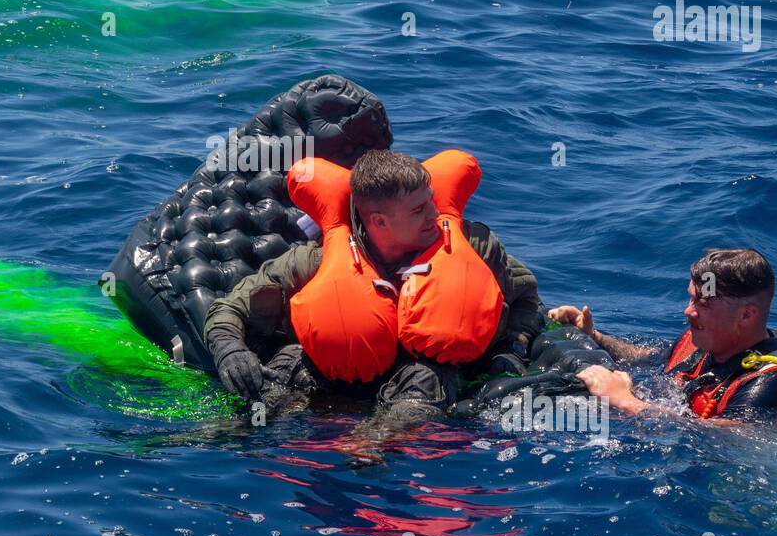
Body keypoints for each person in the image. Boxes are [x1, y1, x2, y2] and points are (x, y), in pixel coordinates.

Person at [204, 148, 543, 424]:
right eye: (419, 210)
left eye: (432, 201)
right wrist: (231, 351)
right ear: (379, 221)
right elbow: (228, 308)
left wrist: (513, 346)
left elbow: (526, 295)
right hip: (338, 373)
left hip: (428, 378)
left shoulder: (471, 249)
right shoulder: (317, 261)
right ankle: (228, 434)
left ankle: (376, 444)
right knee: (286, 368)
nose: (434, 214)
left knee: (424, 381)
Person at [549, 248, 777, 418]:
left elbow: (722, 441)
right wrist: (594, 337)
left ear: (747, 315)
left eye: (703, 303)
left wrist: (624, 400)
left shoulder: (775, 384)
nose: (688, 312)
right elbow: (650, 359)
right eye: (691, 299)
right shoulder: (704, 339)